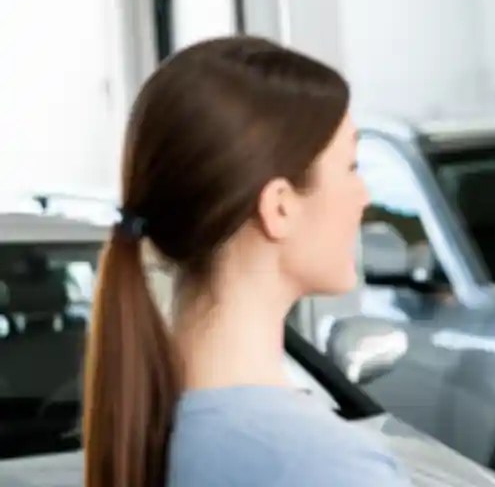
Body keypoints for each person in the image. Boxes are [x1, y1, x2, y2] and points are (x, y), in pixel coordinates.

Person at [80, 36, 411, 487]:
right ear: (279, 207)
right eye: (351, 167)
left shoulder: (152, 428)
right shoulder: (325, 465)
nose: (364, 197)